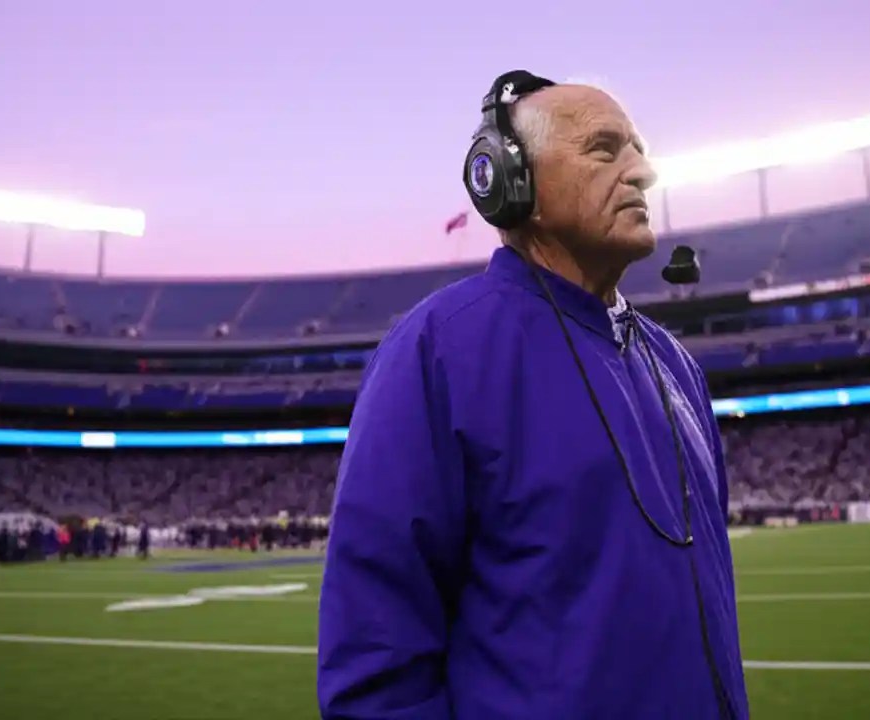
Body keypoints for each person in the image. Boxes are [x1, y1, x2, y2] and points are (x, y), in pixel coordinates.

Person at [318, 72, 748, 719]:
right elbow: (376, 651)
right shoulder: (438, 351)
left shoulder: (677, 366)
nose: (644, 173)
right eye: (606, 150)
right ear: (517, 187)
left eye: (640, 149)